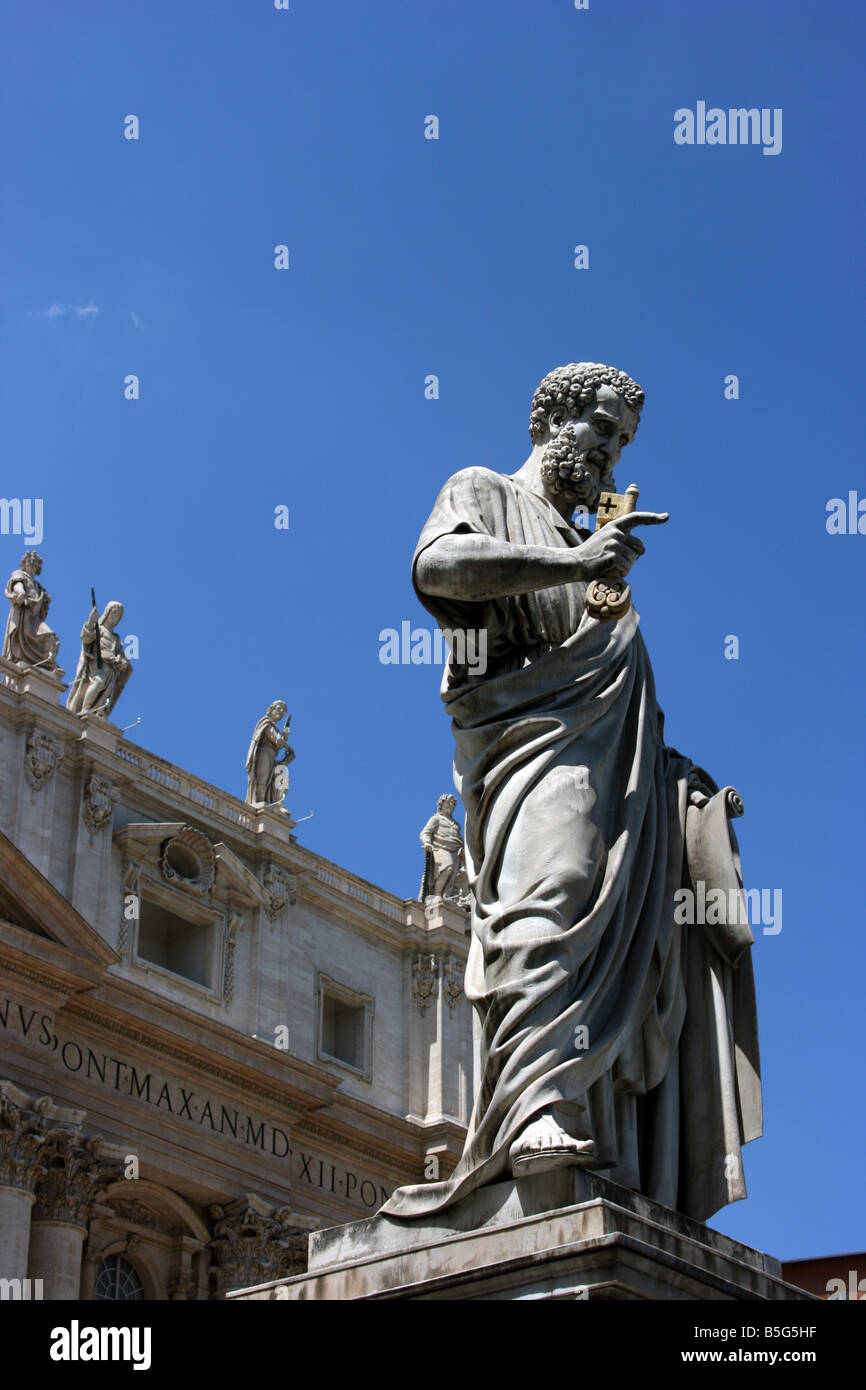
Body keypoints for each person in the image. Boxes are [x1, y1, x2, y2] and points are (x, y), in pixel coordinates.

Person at [381, 362, 761, 1224]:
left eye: (623, 440)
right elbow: (438, 568)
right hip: (522, 744)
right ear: (551, 419)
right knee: (544, 895)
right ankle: (534, 1109)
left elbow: (623, 703)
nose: (611, 454)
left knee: (623, 930)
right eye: (600, 428)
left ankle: (601, 1136)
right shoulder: (482, 489)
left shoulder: (595, 557)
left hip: (609, 767)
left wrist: (683, 792)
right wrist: (573, 556)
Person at [66, 602, 132, 717]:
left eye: (118, 616)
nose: (115, 617)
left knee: (104, 692)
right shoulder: (99, 629)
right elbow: (86, 638)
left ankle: (95, 712)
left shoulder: (116, 638)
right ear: (108, 612)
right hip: (96, 664)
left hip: (110, 670)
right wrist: (91, 621)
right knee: (98, 683)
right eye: (114, 613)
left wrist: (122, 662)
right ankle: (84, 709)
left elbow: (120, 654)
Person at [2, 551, 60, 670]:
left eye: (35, 562)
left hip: (35, 619)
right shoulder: (19, 574)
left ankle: (47, 664)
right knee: (22, 639)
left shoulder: (38, 586)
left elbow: (42, 608)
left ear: (38, 567)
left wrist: (44, 600)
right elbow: (16, 584)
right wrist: (21, 592)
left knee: (50, 637)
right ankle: (23, 662)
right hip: (23, 615)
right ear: (24, 563)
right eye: (30, 561)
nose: (32, 563)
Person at [245, 701, 294, 805]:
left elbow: (278, 744)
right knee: (263, 778)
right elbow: (277, 741)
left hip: (270, 755)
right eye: (279, 709)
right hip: (264, 753)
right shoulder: (266, 723)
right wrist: (287, 743)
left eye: (282, 712)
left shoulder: (273, 726)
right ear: (271, 709)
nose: (280, 713)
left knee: (270, 780)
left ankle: (267, 803)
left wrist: (285, 737)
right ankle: (259, 803)